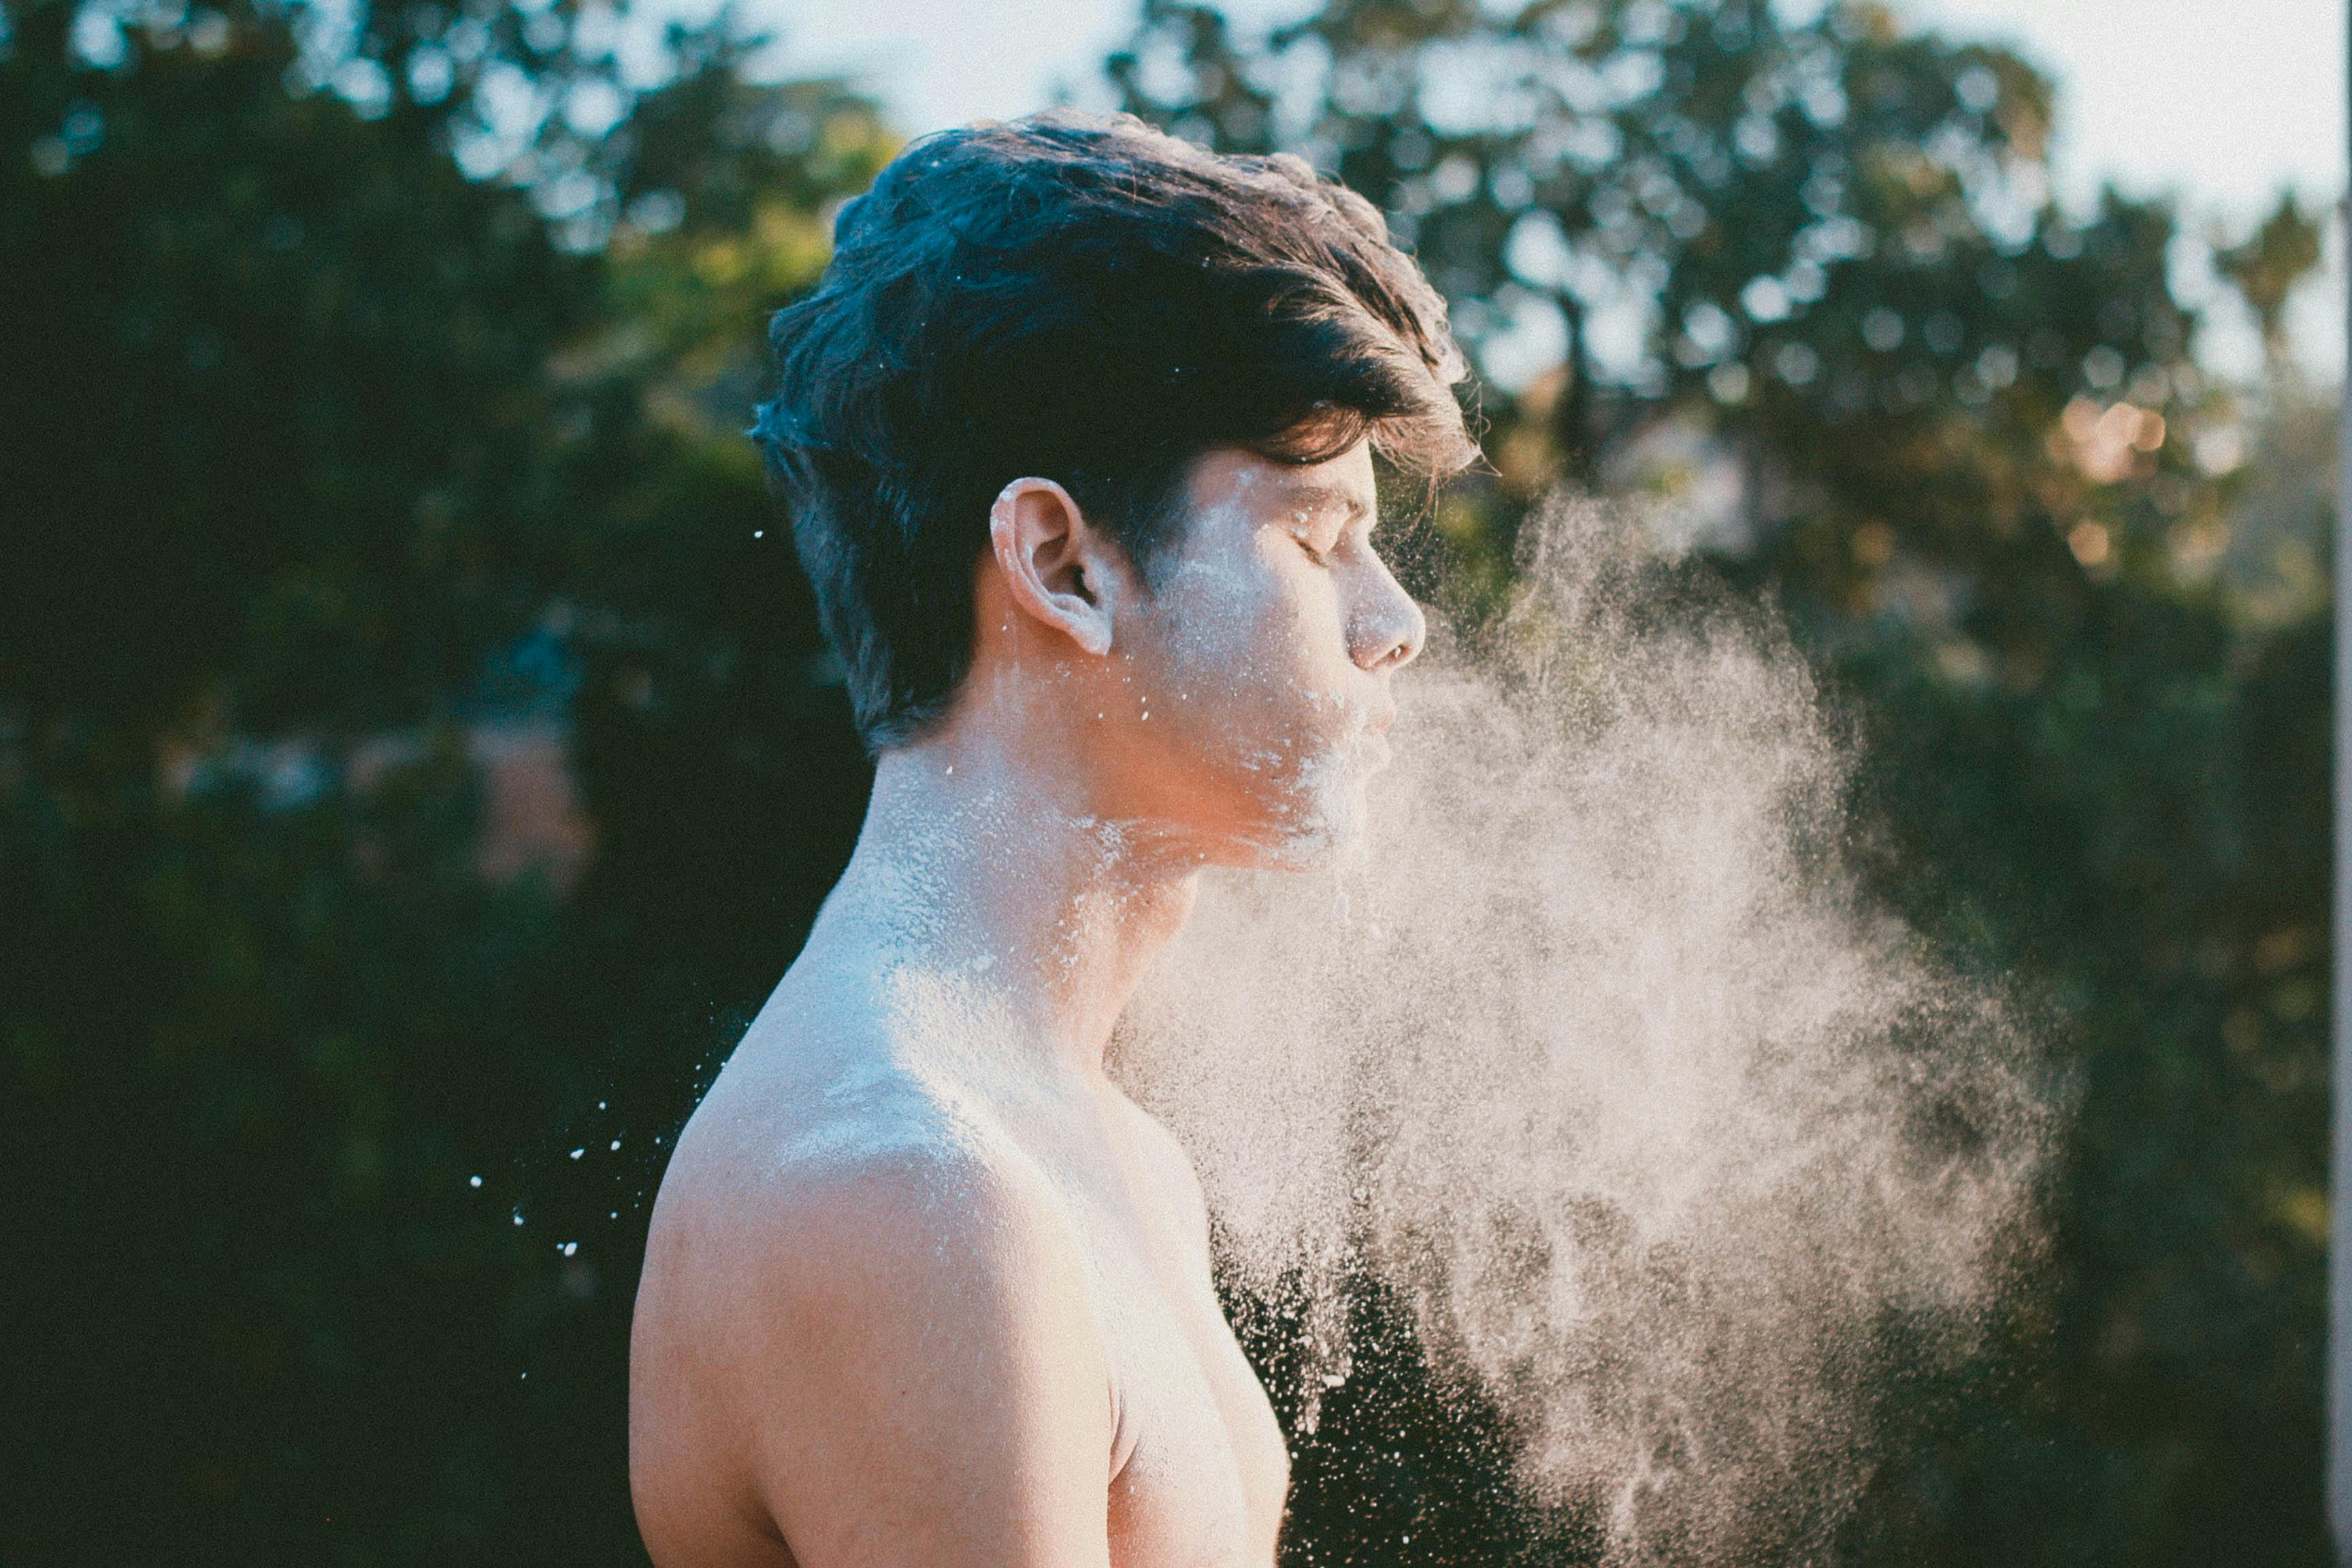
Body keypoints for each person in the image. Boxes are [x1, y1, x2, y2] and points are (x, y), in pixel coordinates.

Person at [628, 110, 1475, 1567]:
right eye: (1316, 538)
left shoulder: (1091, 1153)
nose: (1396, 624)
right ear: (1063, 566)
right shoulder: (915, 1195)